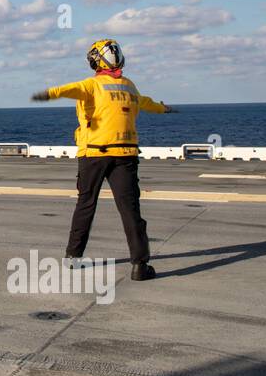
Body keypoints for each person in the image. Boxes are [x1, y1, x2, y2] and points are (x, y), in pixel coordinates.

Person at [30, 39, 177, 281]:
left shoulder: (92, 85)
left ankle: (73, 258)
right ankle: (140, 265)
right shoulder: (129, 86)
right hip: (125, 155)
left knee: (86, 204)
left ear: (97, 61)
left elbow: (65, 89)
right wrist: (166, 109)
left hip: (94, 154)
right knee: (130, 210)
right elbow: (148, 103)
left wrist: (44, 94)